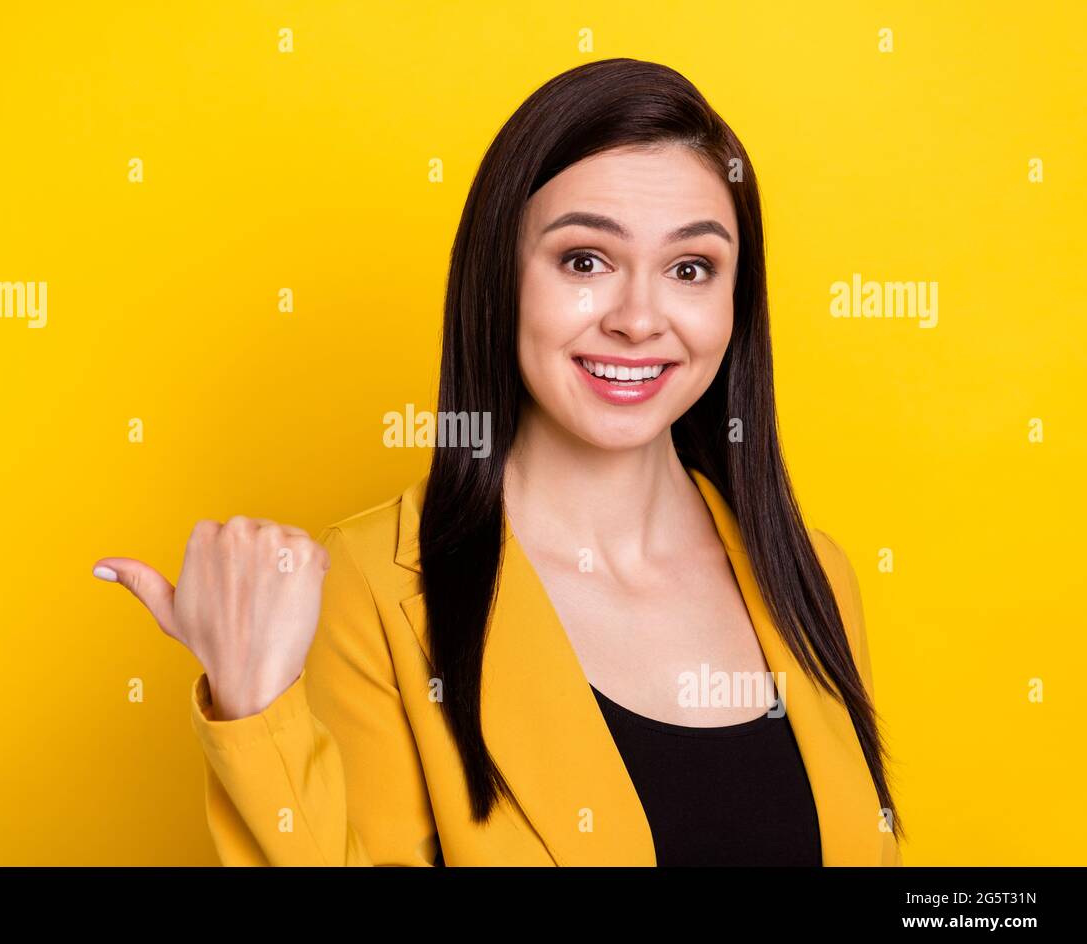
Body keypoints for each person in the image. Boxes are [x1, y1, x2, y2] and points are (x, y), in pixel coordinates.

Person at [93, 58, 904, 866]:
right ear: (499, 278)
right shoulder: (375, 584)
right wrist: (254, 705)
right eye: (585, 260)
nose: (638, 318)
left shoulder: (812, 575)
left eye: (690, 269)